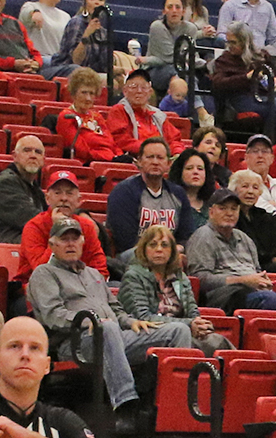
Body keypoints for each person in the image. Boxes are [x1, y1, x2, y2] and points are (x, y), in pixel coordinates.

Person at [28, 213, 191, 423]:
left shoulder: (94, 274)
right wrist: (91, 322)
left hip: (114, 336)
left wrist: (130, 321)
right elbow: (53, 316)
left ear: (83, 242)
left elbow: (116, 308)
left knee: (178, 331)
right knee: (108, 329)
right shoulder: (44, 273)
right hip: (76, 344)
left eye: (74, 238)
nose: (70, 244)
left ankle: (171, 406)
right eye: (64, 239)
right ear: (52, 244)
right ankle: (126, 405)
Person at [119, 224, 228, 353]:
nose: (159, 249)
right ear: (144, 250)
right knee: (197, 341)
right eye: (153, 245)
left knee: (219, 341)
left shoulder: (180, 277)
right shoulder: (133, 276)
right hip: (150, 334)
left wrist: (198, 324)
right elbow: (144, 317)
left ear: (172, 251)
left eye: (164, 245)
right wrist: (189, 324)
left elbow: (192, 311)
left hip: (184, 329)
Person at [185, 187, 276, 312]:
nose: (229, 213)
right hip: (224, 297)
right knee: (268, 299)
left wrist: (262, 280)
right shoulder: (203, 237)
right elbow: (200, 279)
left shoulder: (244, 238)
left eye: (234, 209)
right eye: (223, 208)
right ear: (211, 212)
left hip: (252, 292)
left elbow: (257, 271)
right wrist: (243, 281)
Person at [106, 137, 193, 254]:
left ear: (168, 164)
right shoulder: (123, 192)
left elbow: (186, 236)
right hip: (134, 255)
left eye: (160, 158)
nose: (155, 162)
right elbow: (125, 240)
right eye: (150, 157)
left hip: (171, 254)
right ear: (139, 162)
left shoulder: (178, 194)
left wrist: (176, 250)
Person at [19, 167, 106, 275]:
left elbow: (100, 268)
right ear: (47, 198)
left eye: (69, 193)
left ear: (78, 200)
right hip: (39, 286)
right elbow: (41, 270)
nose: (64, 198)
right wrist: (57, 229)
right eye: (57, 193)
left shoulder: (86, 226)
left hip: (80, 285)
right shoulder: (34, 227)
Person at [0, 135, 46, 248]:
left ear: (43, 160)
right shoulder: (4, 183)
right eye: (27, 151)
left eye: (38, 152)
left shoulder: (34, 187)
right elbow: (30, 218)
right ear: (15, 156)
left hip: (17, 238)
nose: (33, 156)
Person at [103, 68, 184, 158]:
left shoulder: (158, 115)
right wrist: (151, 150)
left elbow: (174, 140)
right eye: (134, 86)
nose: (139, 91)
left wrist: (177, 153)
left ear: (149, 92)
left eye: (144, 87)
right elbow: (120, 140)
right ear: (125, 91)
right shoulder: (119, 111)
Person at [54, 68, 118, 165]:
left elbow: (111, 143)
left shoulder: (97, 116)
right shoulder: (67, 117)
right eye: (84, 92)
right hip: (87, 164)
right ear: (74, 93)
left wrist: (119, 156)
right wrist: (110, 158)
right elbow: (81, 150)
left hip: (108, 161)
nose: (88, 98)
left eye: (91, 93)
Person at [50, 0, 109, 81]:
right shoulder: (76, 23)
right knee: (81, 72)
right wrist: (87, 34)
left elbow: (104, 66)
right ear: (85, 3)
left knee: (116, 80)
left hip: (90, 72)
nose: (96, 3)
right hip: (67, 69)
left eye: (100, 0)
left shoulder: (103, 32)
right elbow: (75, 60)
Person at [146, 0, 200, 90]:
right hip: (154, 70)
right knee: (179, 73)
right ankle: (198, 105)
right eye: (170, 7)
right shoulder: (157, 26)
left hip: (180, 69)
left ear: (183, 12)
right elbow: (172, 57)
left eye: (178, 7)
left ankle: (187, 103)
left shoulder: (191, 28)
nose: (174, 10)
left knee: (188, 76)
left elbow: (186, 56)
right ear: (164, 11)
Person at [19, 0, 68, 64]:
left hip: (58, 60)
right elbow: (26, 13)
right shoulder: (30, 6)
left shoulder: (65, 16)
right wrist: (35, 12)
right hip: (38, 59)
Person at [169, 147, 218, 235]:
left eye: (200, 169)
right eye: (189, 168)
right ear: (179, 172)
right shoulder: (170, 203)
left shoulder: (213, 203)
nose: (195, 172)